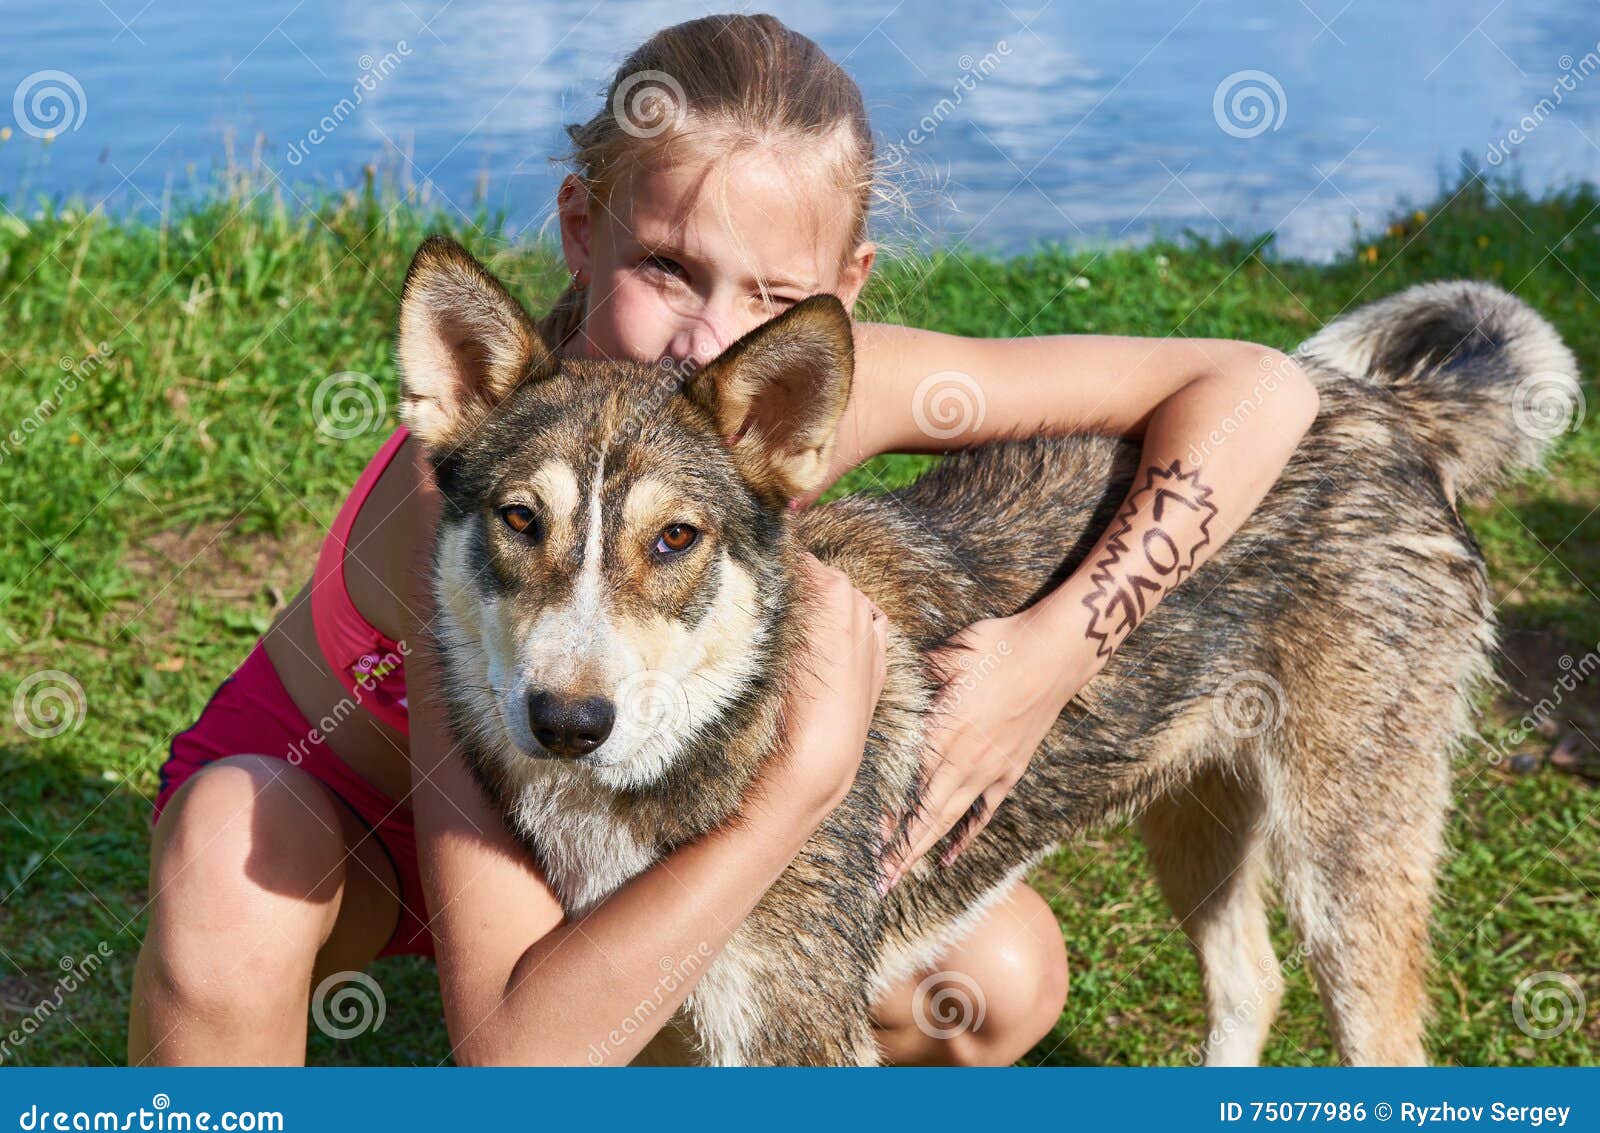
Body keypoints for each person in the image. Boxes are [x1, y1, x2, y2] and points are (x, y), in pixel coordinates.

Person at [129, 13, 1318, 1066]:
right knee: (240, 863)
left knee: (996, 985)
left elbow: (1258, 388)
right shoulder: (488, 482)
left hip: (599, 809)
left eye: (771, 293)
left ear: (844, 292)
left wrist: (1057, 645)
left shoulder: (784, 390)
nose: (706, 337)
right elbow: (515, 1052)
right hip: (359, 833)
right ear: (580, 227)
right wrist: (796, 789)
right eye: (665, 266)